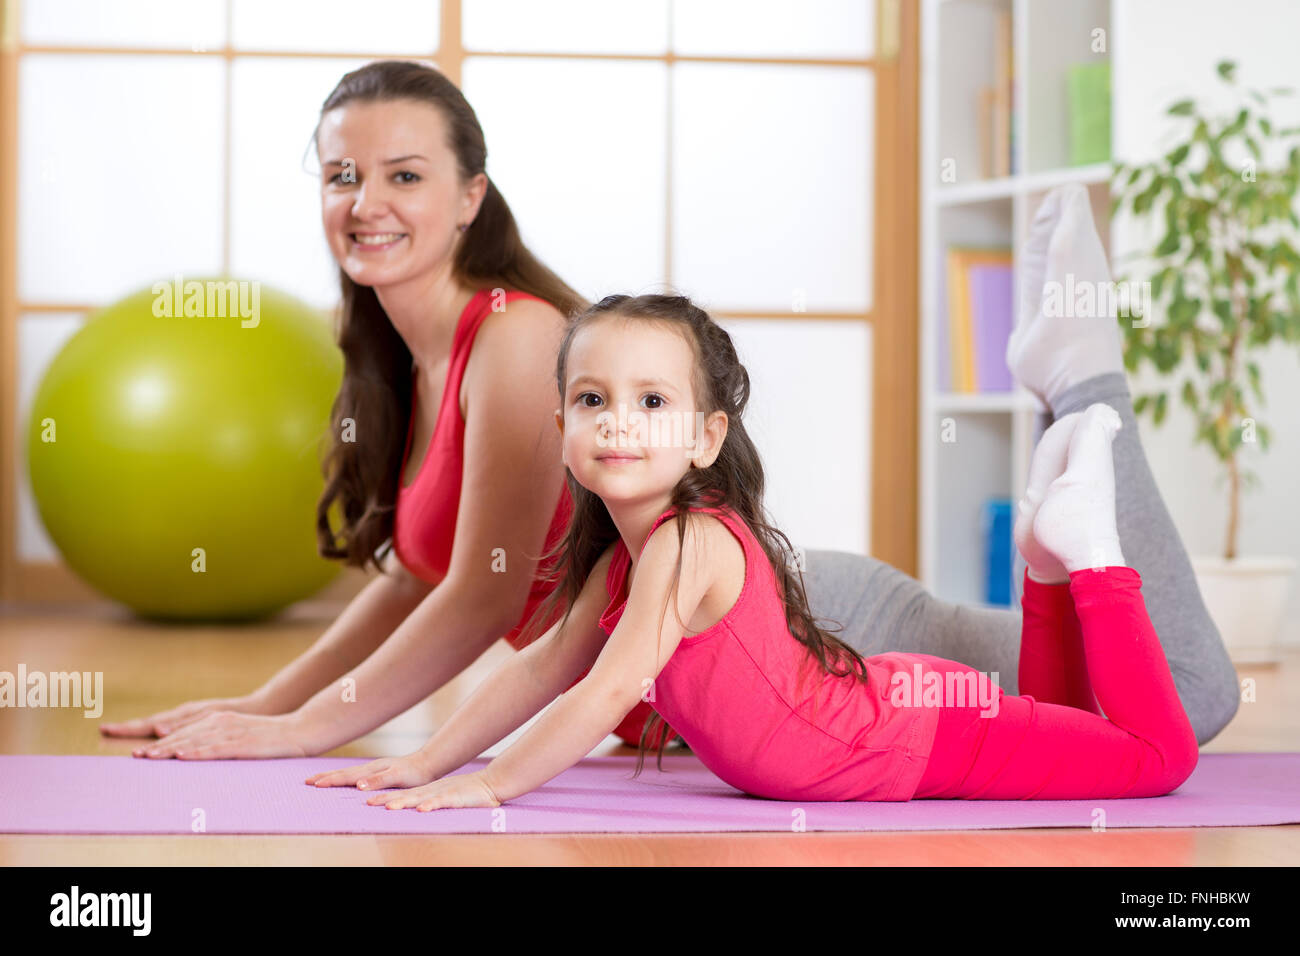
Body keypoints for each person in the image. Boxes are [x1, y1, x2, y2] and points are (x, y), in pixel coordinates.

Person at [102, 57, 1237, 759]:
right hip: (716, 683)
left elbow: (483, 592)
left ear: (469, 195)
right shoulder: (408, 359)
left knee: (1187, 705)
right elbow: (416, 570)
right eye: (342, 175)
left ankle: (1081, 382)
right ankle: (1067, 417)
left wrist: (303, 729)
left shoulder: (515, 340)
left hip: (817, 634)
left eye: (404, 174)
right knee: (1120, 702)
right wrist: (263, 702)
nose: (366, 202)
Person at [303, 293, 1197, 807]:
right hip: (888, 711)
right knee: (1061, 715)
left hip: (915, 740)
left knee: (1159, 762)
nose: (617, 420)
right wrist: (428, 760)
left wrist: (492, 788)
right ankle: (1046, 562)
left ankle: (1093, 554)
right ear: (564, 422)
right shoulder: (625, 557)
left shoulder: (687, 541)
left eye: (653, 401)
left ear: (707, 435)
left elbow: (607, 691)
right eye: (591, 398)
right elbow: (544, 670)